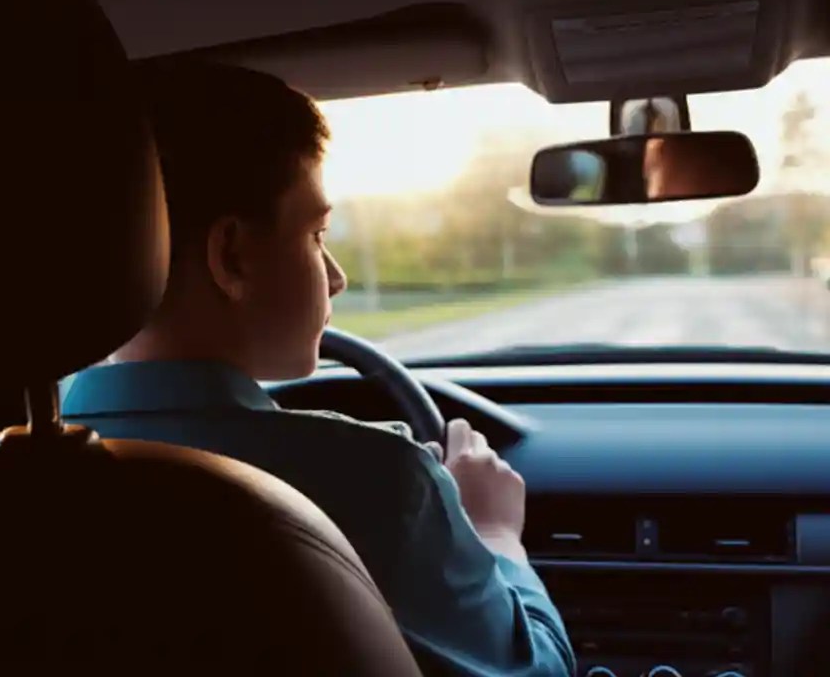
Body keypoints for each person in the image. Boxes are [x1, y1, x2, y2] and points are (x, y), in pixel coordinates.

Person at [62, 61, 575, 677]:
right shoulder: (377, 482)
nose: (336, 276)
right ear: (232, 256)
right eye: (316, 233)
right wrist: (495, 533)